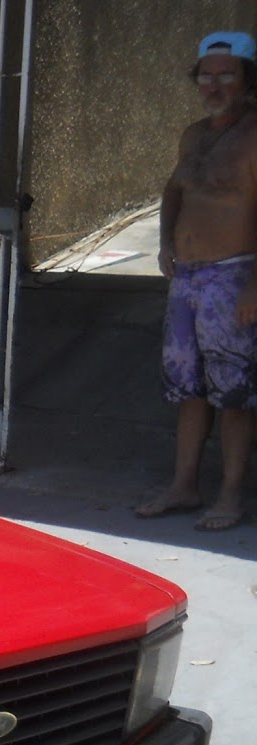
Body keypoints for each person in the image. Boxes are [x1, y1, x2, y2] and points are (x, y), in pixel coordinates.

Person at [136, 31, 257, 531]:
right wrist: (165, 242)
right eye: (207, 75)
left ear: (247, 79)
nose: (215, 84)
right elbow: (173, 191)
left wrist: (254, 285)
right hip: (186, 279)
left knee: (234, 392)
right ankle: (183, 485)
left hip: (234, 277)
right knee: (187, 388)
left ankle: (230, 495)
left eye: (227, 74)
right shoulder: (192, 135)